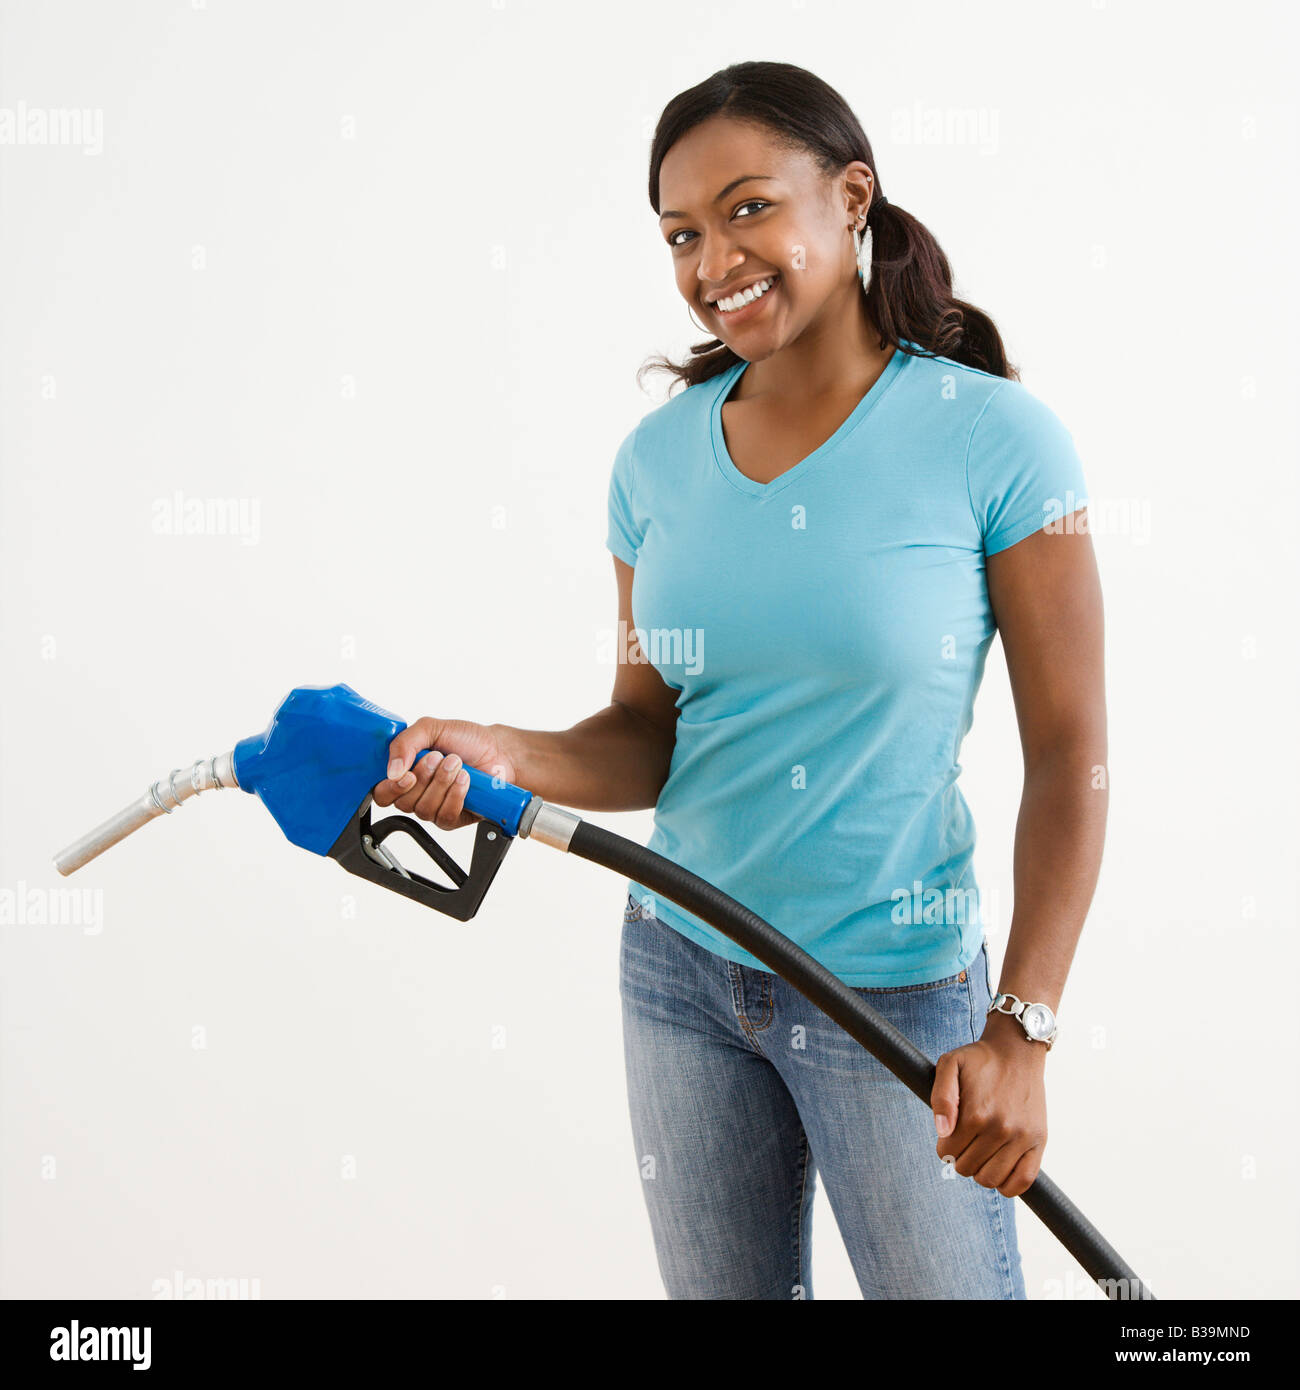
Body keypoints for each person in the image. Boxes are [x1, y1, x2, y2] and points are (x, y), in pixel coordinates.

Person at [372, 61, 1106, 1301]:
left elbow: (1072, 751)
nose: (713, 261)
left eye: (748, 209)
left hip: (897, 994)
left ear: (852, 197)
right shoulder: (654, 464)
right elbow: (644, 734)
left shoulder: (995, 439)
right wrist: (502, 749)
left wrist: (1021, 1028)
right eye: (680, 234)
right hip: (679, 976)